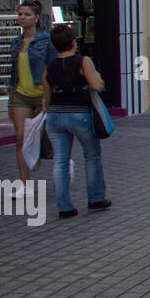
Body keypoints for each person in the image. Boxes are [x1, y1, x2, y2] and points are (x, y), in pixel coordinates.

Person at [40, 23, 109, 219]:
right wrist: (99, 80)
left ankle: (64, 206)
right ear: (73, 42)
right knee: (92, 155)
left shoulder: (48, 68)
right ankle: (96, 198)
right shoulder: (83, 61)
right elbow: (97, 85)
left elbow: (46, 98)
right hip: (78, 113)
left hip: (54, 116)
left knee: (60, 161)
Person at [8, 0, 52, 198]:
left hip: (41, 94)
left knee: (46, 136)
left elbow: (52, 69)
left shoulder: (46, 41)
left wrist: (48, 95)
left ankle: (63, 166)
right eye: (19, 14)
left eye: (26, 14)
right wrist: (11, 93)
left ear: (36, 17)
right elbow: (13, 71)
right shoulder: (16, 42)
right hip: (21, 95)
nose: (21, 18)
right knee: (20, 138)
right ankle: (24, 184)